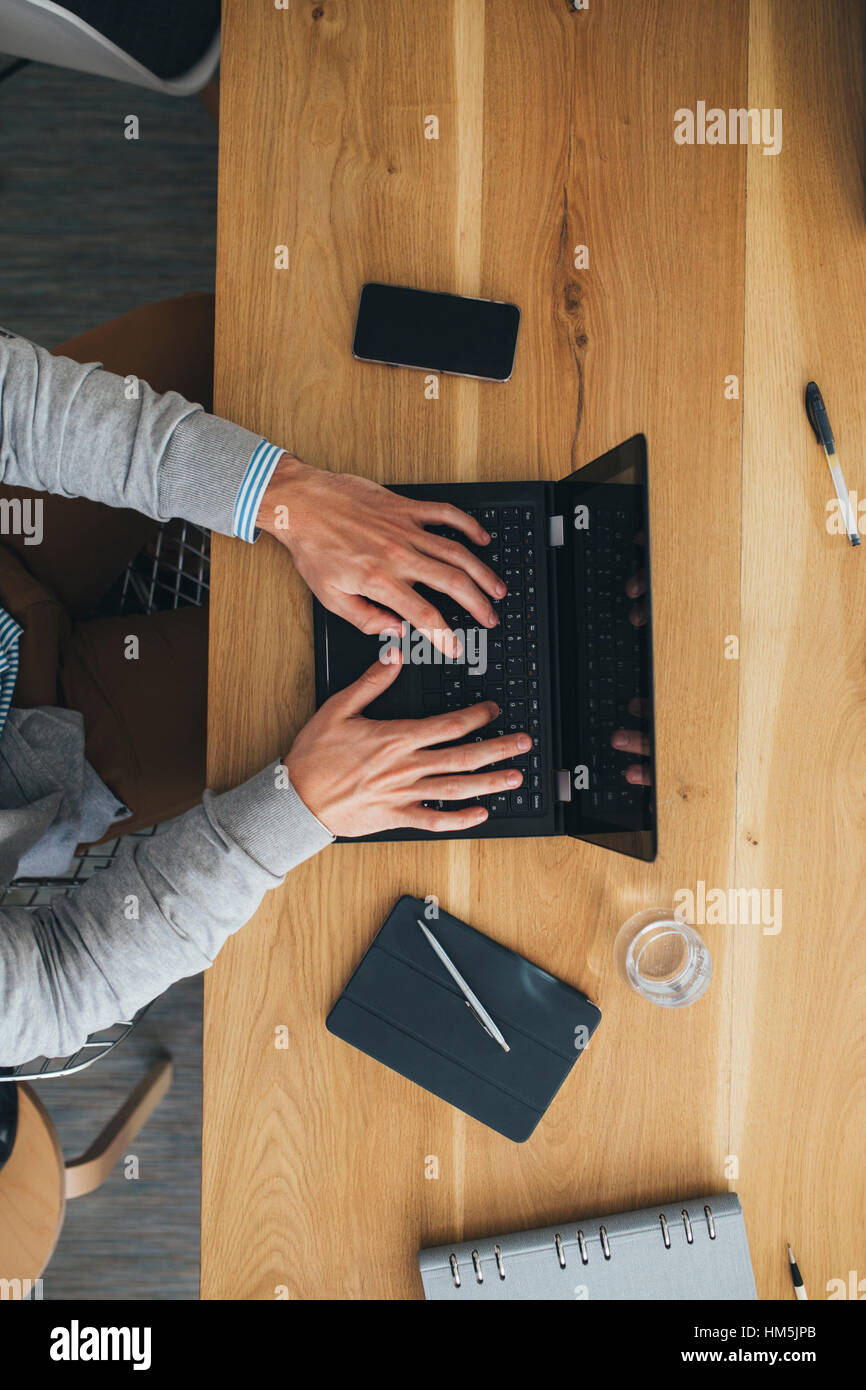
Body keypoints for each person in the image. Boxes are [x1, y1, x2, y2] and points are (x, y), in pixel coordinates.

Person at [0, 293, 531, 1066]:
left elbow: (15, 407)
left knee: (246, 329)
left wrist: (281, 496)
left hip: (15, 548)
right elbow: (56, 982)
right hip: (44, 753)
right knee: (351, 692)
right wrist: (297, 809)